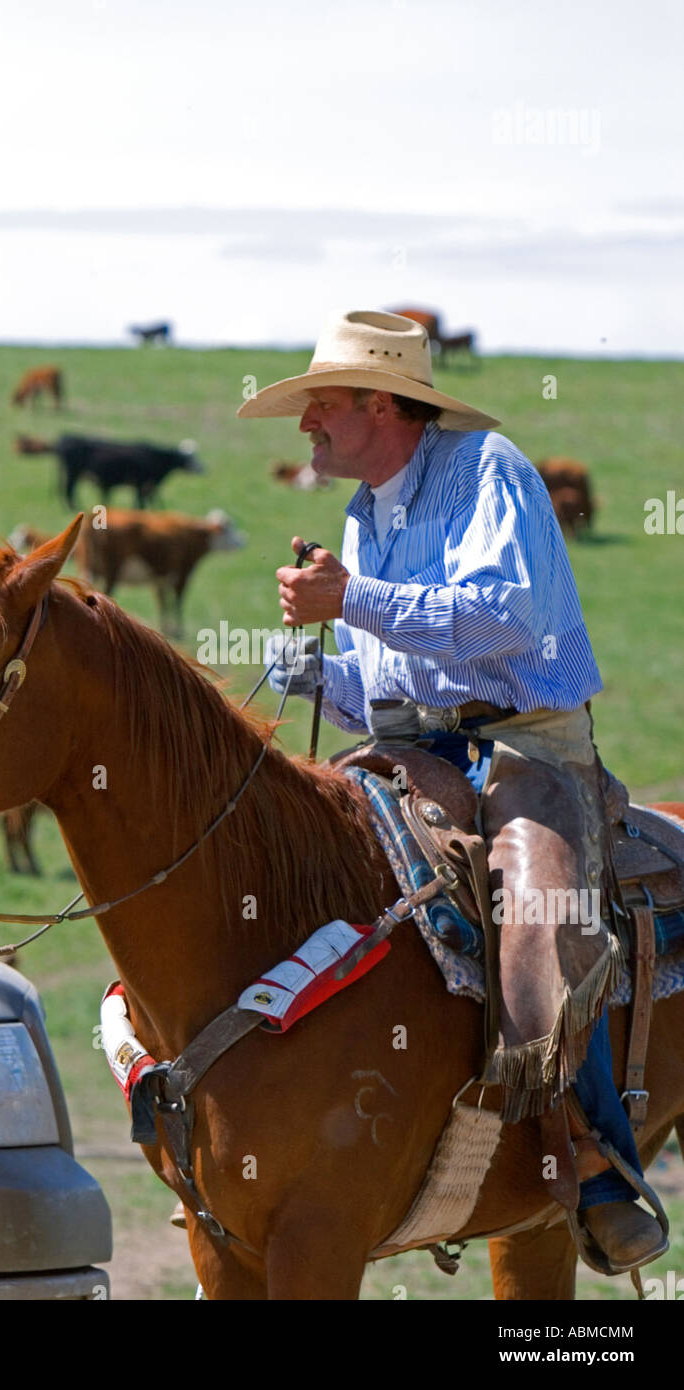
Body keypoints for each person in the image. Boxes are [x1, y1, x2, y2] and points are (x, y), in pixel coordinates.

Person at [238, 309, 666, 1272]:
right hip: (414, 748)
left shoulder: (490, 470)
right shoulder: (360, 513)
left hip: (527, 748)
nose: (306, 426)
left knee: (543, 912)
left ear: (381, 403)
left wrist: (350, 599)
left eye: (322, 407)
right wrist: (322, 677)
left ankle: (595, 1162)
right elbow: (387, 684)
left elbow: (503, 621)